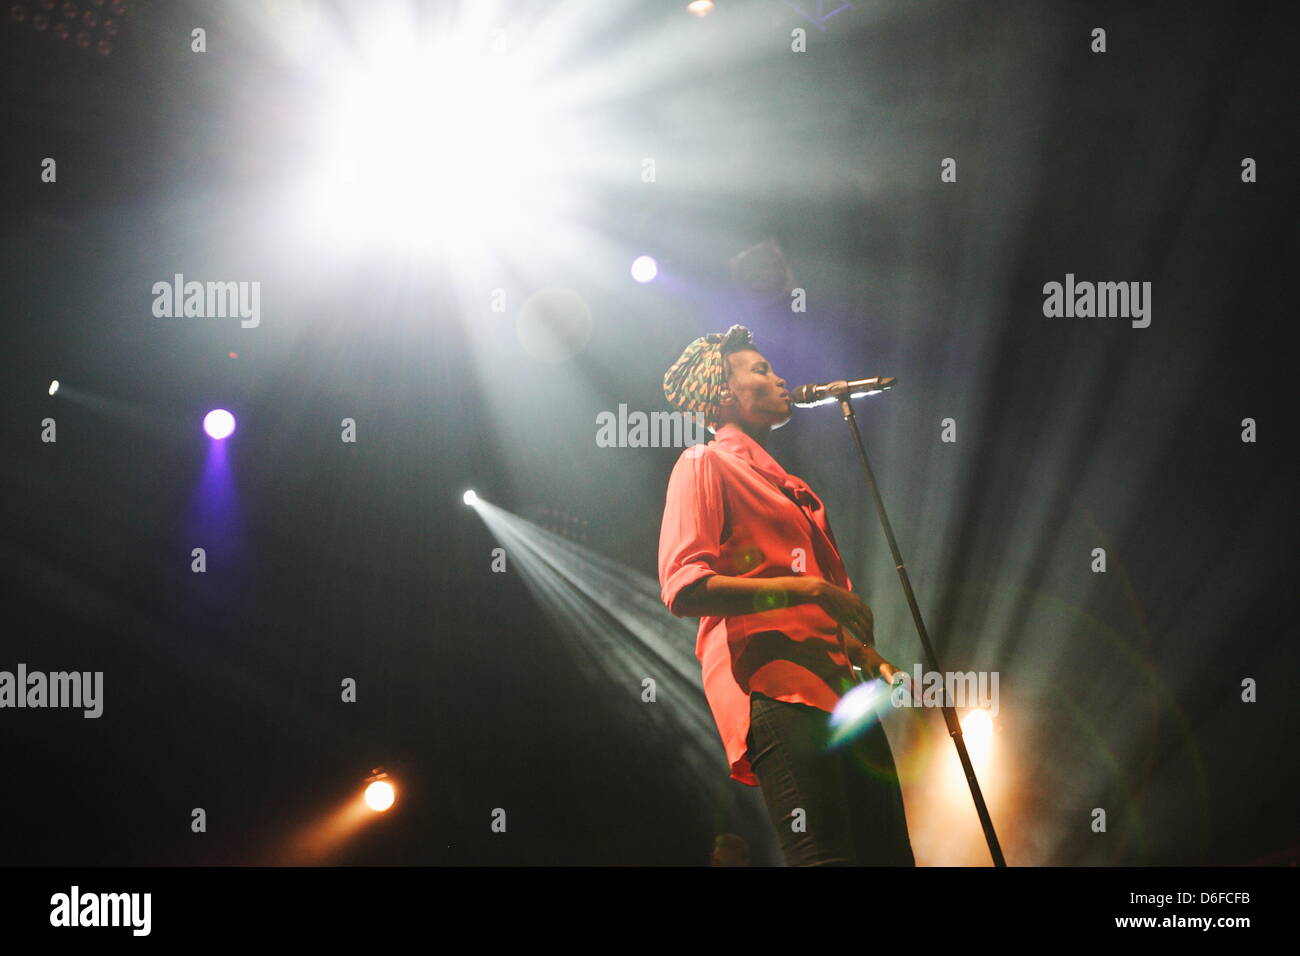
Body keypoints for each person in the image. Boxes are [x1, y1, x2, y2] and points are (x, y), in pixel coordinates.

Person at [658, 324, 915, 866]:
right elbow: (684, 586)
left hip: (844, 694)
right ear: (724, 393)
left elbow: (829, 607)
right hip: (776, 685)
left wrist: (871, 657)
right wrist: (811, 589)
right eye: (761, 370)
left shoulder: (793, 489)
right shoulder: (704, 463)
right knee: (826, 856)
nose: (780, 379)